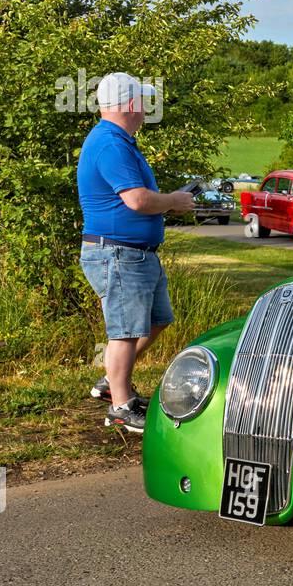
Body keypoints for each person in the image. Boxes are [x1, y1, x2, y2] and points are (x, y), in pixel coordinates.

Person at [77, 72, 194, 432]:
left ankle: (113, 381)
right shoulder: (111, 145)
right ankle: (121, 406)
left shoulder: (118, 141)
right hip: (118, 254)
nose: (145, 110)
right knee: (125, 331)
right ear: (131, 105)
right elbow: (137, 200)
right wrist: (174, 201)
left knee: (157, 319)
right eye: (143, 102)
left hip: (134, 253)